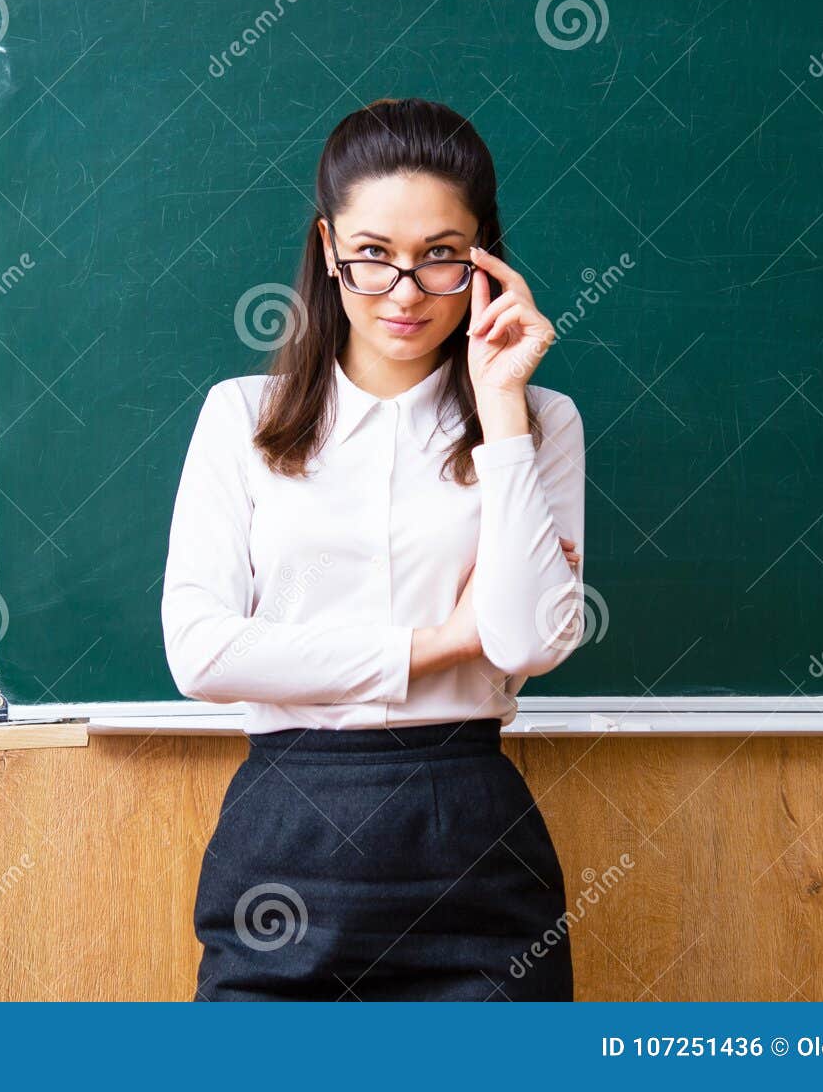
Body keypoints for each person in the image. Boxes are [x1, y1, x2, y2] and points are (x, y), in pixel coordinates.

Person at [161, 96, 586, 1001]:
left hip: (469, 834)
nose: (403, 292)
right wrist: (438, 641)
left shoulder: (543, 420)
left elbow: (527, 642)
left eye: (440, 257)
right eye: (372, 257)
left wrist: (502, 406)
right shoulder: (242, 416)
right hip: (287, 832)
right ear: (327, 249)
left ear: (484, 260)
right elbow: (201, 653)